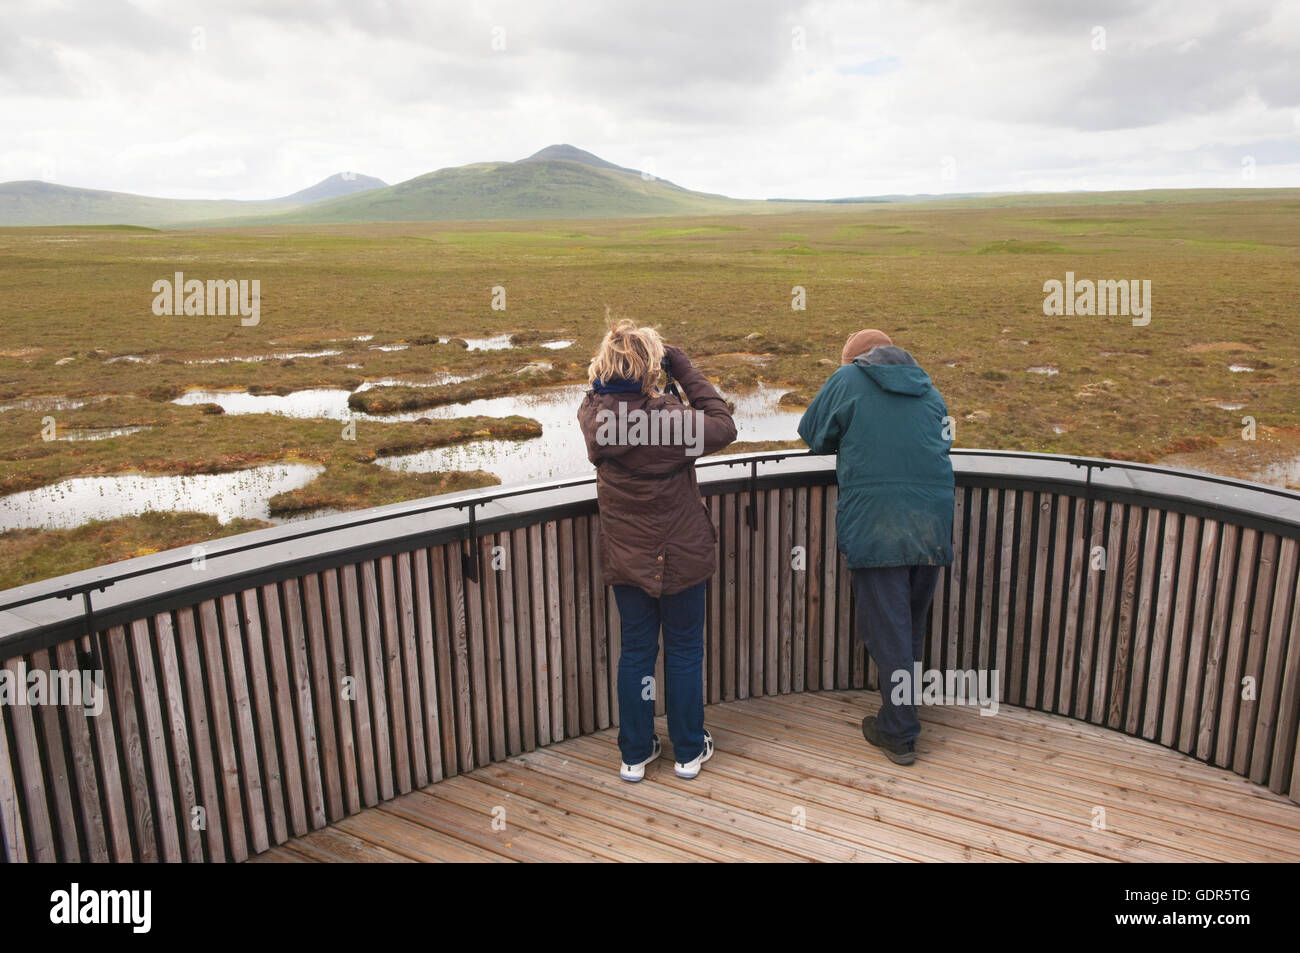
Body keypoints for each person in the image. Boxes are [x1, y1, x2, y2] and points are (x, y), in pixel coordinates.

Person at [577, 319, 736, 781]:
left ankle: (635, 753)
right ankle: (688, 750)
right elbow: (723, 425)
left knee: (637, 652)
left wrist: (615, 368)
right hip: (682, 553)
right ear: (652, 366)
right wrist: (681, 368)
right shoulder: (670, 419)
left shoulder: (594, 417)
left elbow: (598, 392)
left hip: (626, 557)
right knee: (684, 651)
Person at [797, 329, 955, 765]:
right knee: (909, 629)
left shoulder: (847, 379)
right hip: (932, 526)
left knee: (888, 633)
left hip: (879, 525)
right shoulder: (928, 387)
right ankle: (898, 714)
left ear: (856, 361)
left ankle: (900, 733)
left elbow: (811, 433)